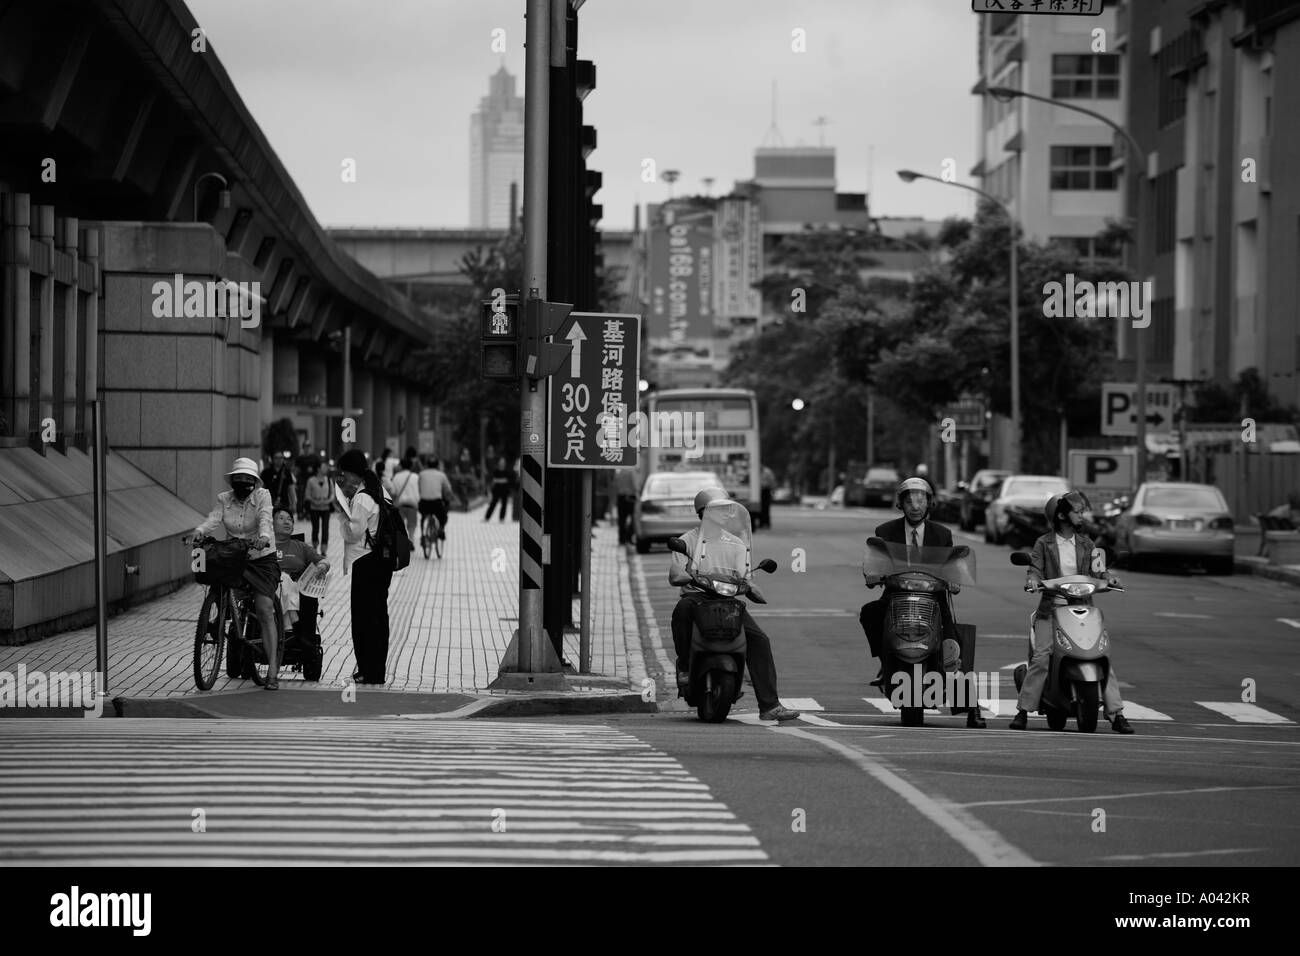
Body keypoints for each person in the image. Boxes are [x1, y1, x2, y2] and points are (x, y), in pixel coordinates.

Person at [859, 476, 986, 727]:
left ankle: (971, 707)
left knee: (954, 646)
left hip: (934, 599)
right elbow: (874, 562)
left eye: (921, 500)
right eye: (909, 500)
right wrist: (873, 574)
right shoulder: (885, 532)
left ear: (929, 504)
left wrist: (954, 579)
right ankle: (886, 663)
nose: (915, 506)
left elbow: (951, 566)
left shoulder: (942, 534)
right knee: (870, 613)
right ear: (901, 504)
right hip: (896, 597)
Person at [669, 487, 800, 722]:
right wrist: (685, 576)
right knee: (682, 610)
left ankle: (770, 705)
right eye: (720, 510)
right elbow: (675, 573)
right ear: (704, 513)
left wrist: (751, 588)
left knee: (759, 639)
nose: (726, 515)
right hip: (696, 597)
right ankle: (685, 667)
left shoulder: (737, 544)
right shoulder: (686, 541)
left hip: (728, 600)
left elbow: (748, 577)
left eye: (727, 510)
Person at [1009, 491, 1134, 734]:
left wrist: (1110, 578)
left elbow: (1100, 571)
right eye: (1077, 511)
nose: (1082, 516)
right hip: (1052, 609)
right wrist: (1033, 581)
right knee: (1042, 656)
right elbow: (1035, 569)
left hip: (1083, 606)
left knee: (1100, 654)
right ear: (1062, 514)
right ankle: (1023, 711)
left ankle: (1117, 714)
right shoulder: (1043, 543)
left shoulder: (1088, 544)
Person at [193, 458, 282, 689]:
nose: (242, 483)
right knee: (218, 581)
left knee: (264, 608)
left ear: (254, 481)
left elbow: (265, 517)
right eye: (238, 479)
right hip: (235, 555)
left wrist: (264, 537)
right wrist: (200, 531)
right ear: (232, 481)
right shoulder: (224, 499)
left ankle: (272, 670)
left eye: (247, 479)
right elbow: (213, 519)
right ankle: (218, 620)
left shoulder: (263, 496)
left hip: (262, 558)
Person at [336, 449, 394, 685]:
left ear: (353, 473)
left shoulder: (362, 497)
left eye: (344, 474)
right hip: (383, 561)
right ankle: (375, 670)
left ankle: (367, 670)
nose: (342, 479)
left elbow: (353, 533)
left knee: (363, 618)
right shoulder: (380, 490)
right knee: (378, 616)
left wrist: (342, 514)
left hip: (367, 561)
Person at [272, 507, 329, 638]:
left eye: (290, 520)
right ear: (271, 523)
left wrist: (322, 567)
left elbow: (323, 561)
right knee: (282, 577)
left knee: (287, 580)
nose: (287, 522)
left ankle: (295, 628)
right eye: (281, 518)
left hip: (297, 588)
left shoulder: (300, 546)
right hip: (270, 587)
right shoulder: (265, 546)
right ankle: (290, 618)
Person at [418, 456, 455, 544]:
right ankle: (441, 529)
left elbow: (418, 486)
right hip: (436, 503)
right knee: (443, 516)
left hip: (423, 503)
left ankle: (423, 536)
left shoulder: (421, 474)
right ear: (437, 465)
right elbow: (448, 489)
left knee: (423, 517)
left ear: (427, 465)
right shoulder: (441, 475)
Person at [304, 464, 334, 553]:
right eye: (324, 467)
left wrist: (328, 501)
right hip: (314, 507)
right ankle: (315, 546)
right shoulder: (311, 480)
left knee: (325, 528)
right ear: (318, 469)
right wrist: (314, 501)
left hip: (326, 508)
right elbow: (307, 494)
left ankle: (324, 549)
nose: (326, 469)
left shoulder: (329, 480)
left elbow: (333, 493)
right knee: (315, 528)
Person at [390, 456, 421, 541]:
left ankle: (402, 541)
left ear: (401, 466)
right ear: (411, 466)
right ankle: (411, 539)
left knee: (400, 525)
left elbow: (393, 492)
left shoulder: (396, 476)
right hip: (413, 504)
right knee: (412, 524)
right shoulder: (416, 476)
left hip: (400, 504)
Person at [614, 467, 639, 544]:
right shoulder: (632, 471)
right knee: (634, 518)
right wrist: (638, 494)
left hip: (621, 497)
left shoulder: (619, 472)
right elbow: (635, 485)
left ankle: (622, 539)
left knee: (621, 519)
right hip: (631, 497)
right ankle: (629, 536)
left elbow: (615, 484)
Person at [485, 456, 514, 521]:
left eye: (503, 462)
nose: (502, 464)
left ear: (505, 463)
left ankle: (502, 518)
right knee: (493, 504)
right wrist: (501, 480)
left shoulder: (507, 471)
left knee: (504, 504)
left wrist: (498, 480)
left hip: (504, 490)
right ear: (499, 463)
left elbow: (507, 480)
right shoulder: (496, 471)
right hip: (497, 490)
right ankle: (487, 517)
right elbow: (494, 480)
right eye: (501, 462)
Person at [760, 465, 776, 530]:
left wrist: (773, 490)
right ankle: (761, 523)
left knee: (766, 507)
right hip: (759, 491)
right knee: (760, 508)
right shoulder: (756, 471)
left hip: (766, 490)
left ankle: (766, 523)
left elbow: (772, 481)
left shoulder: (767, 472)